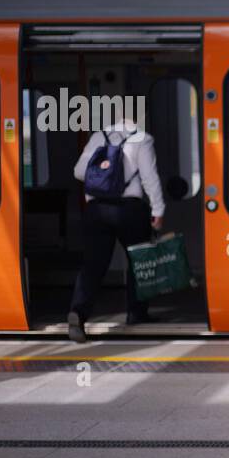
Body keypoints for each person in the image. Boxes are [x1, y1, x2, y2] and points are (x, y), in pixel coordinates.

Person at [67, 117, 165, 343]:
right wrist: (158, 209)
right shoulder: (142, 138)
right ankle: (136, 314)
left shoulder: (98, 137)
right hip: (130, 210)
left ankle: (78, 314)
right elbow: (150, 177)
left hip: (96, 209)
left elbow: (79, 172)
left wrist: (103, 170)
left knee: (93, 265)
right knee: (139, 262)